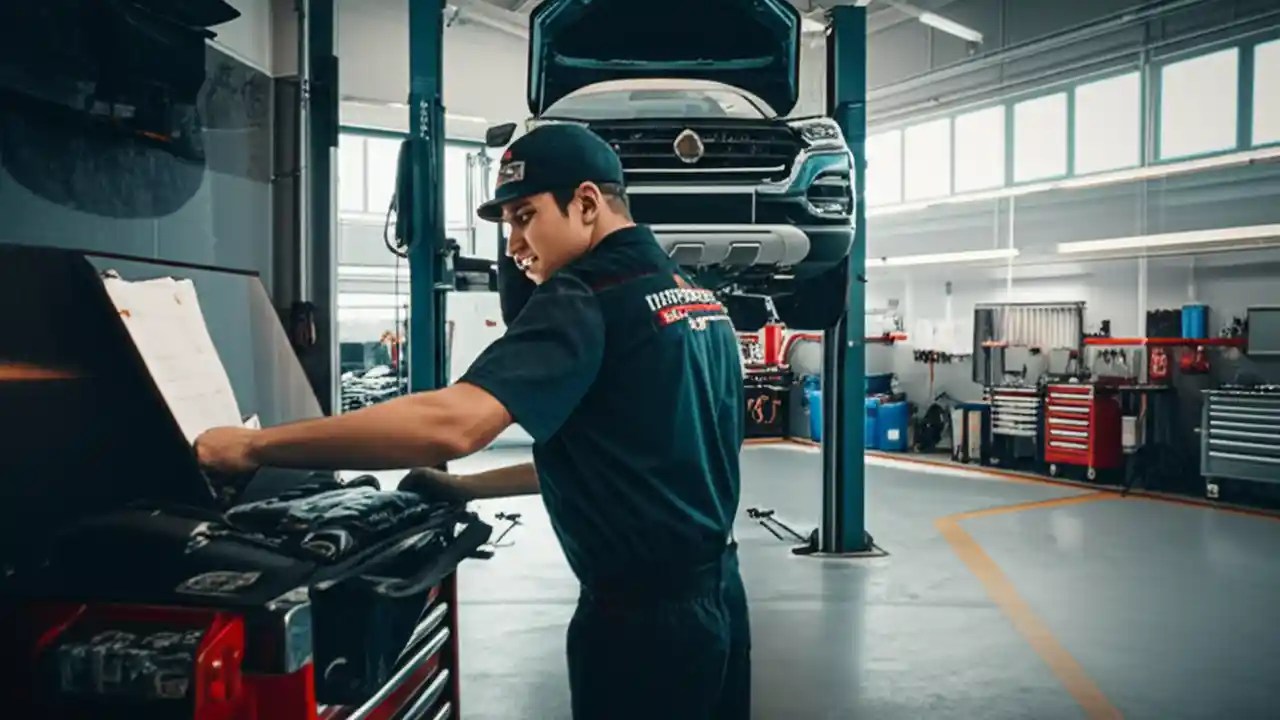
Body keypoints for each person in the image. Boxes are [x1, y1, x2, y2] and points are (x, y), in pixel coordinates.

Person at [195, 123, 751, 719]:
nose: (513, 244)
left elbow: (455, 422)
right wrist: (467, 487)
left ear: (586, 204)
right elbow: (627, 456)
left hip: (643, 629)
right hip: (718, 594)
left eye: (524, 217)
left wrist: (255, 446)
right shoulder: (692, 296)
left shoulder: (585, 295)